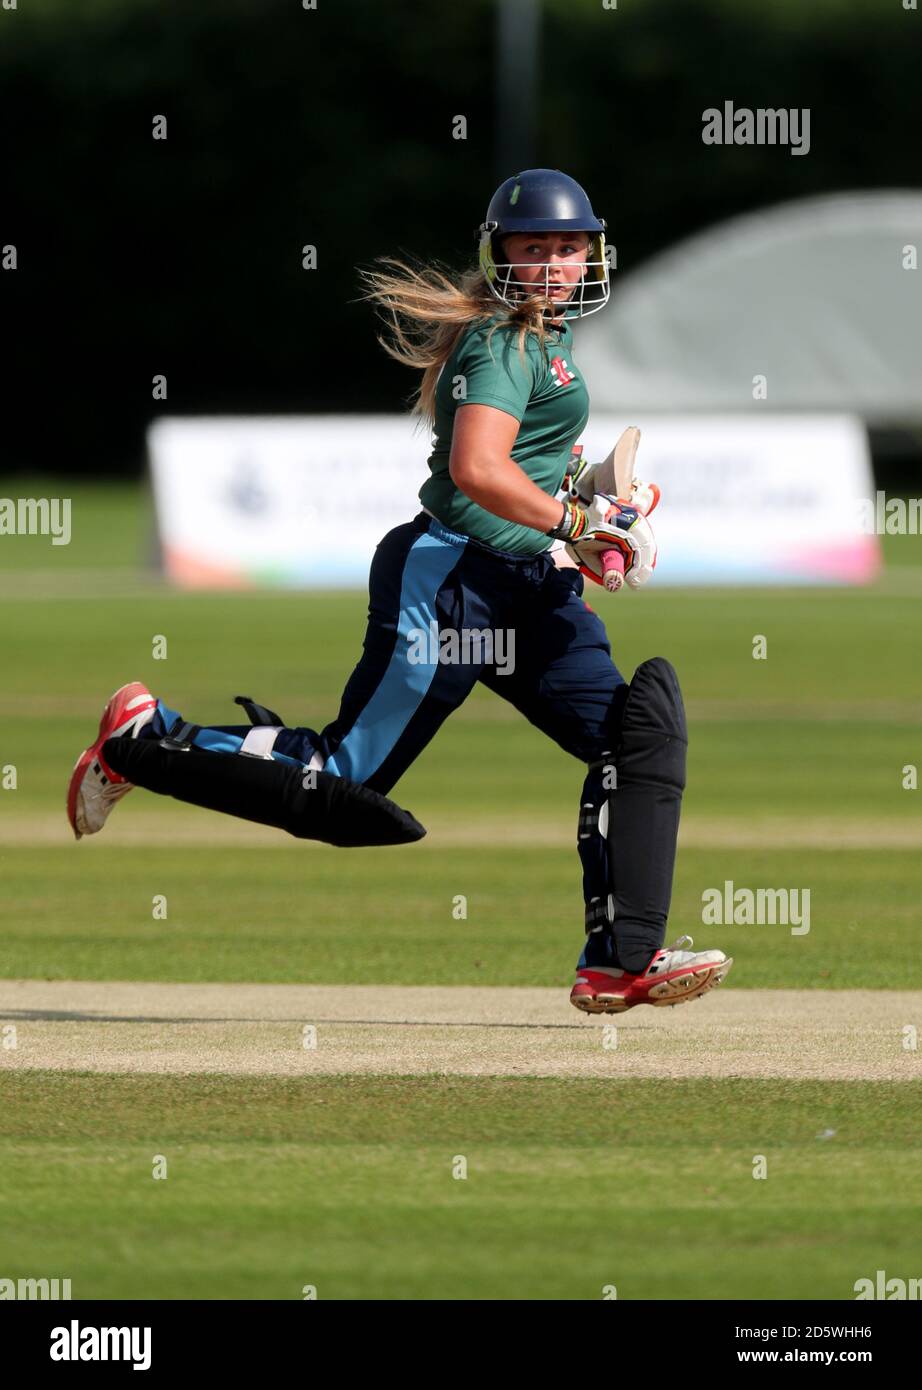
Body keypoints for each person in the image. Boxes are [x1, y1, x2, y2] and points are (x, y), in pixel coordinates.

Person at [67, 168, 732, 1014]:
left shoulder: (545, 344)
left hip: (528, 589)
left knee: (639, 735)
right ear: (501, 257)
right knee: (340, 784)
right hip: (450, 581)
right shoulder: (504, 340)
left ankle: (622, 960)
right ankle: (143, 739)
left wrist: (594, 500)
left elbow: (522, 463)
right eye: (537, 248)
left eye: (570, 247)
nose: (557, 264)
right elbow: (476, 469)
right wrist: (578, 525)